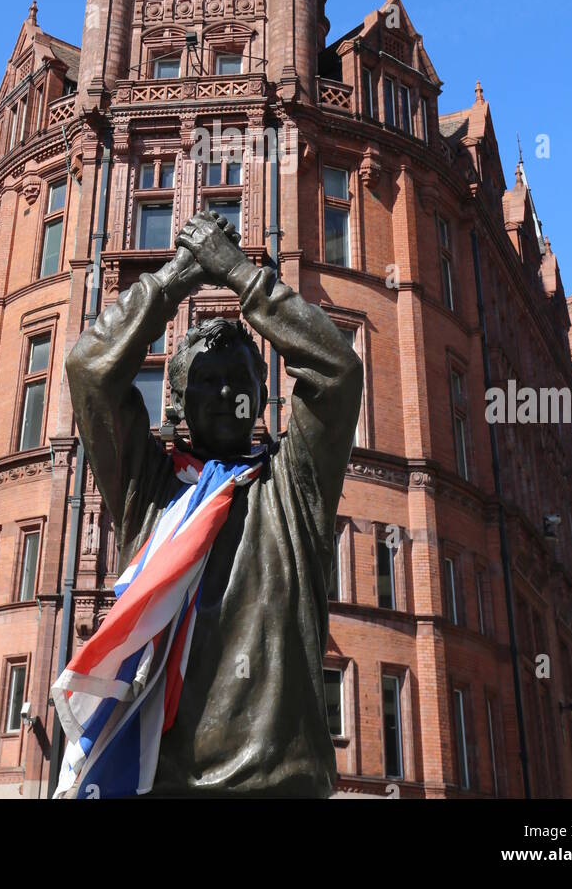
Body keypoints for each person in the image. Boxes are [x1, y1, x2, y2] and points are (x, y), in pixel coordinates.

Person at [59, 208, 363, 798]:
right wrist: (176, 279)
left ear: (263, 398)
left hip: (284, 786)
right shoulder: (149, 492)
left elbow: (339, 371)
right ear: (173, 410)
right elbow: (88, 369)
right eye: (207, 381)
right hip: (169, 785)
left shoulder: (293, 483)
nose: (227, 393)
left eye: (240, 380)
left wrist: (241, 276)